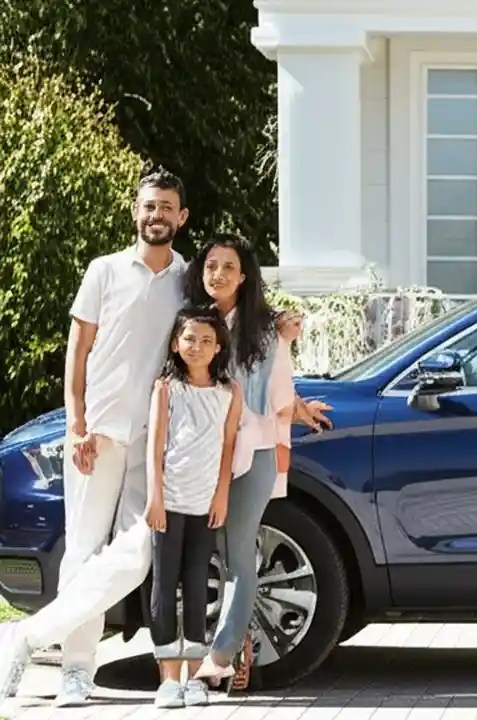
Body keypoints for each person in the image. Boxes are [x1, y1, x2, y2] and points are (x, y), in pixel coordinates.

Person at [0, 171, 324, 709]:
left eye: (167, 207)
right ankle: (75, 671)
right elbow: (76, 353)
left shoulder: (185, 281)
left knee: (135, 557)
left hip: (160, 446)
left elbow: (230, 339)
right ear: (136, 212)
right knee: (82, 552)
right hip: (99, 435)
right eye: (149, 206)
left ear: (181, 217)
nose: (157, 215)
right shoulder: (103, 271)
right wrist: (76, 424)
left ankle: (29, 636)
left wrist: (285, 343)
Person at [181, 234, 296, 691]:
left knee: (238, 551)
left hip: (255, 449)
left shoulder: (264, 329)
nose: (218, 275)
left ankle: (221, 654)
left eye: (228, 267)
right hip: (203, 453)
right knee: (209, 552)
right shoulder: (192, 323)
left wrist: (298, 408)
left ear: (244, 277)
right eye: (211, 266)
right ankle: (236, 643)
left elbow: (278, 393)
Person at [144, 306, 242, 708]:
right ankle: (168, 676)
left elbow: (228, 446)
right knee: (164, 582)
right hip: (169, 500)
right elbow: (155, 445)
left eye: (205, 341)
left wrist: (221, 495)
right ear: (175, 343)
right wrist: (155, 496)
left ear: (218, 347)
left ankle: (197, 674)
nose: (197, 347)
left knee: (199, 582)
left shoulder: (229, 392)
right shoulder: (166, 388)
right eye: (189, 339)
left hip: (205, 501)